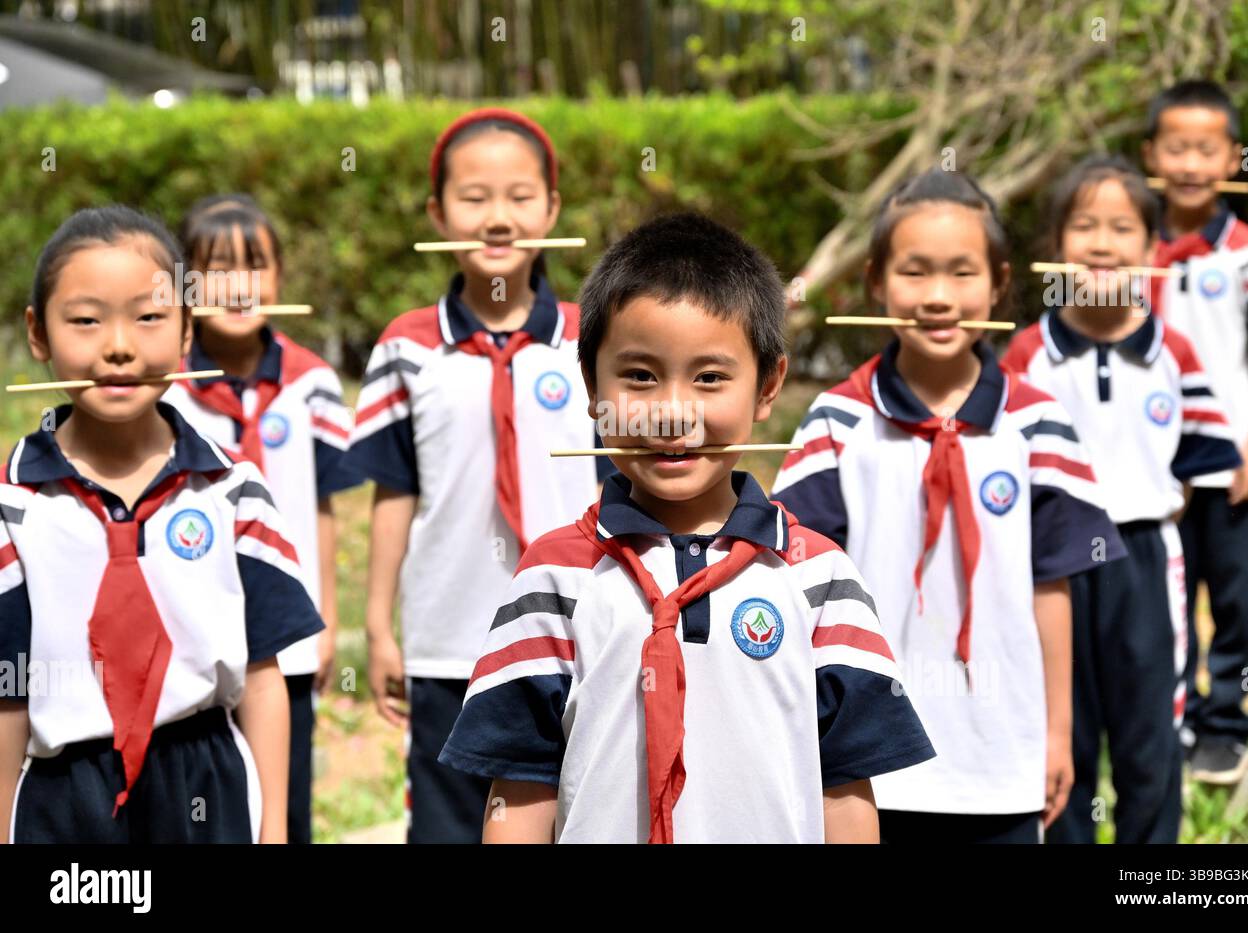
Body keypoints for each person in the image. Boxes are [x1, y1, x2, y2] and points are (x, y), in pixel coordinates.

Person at [439, 212, 935, 843]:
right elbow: (519, 790)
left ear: (768, 387)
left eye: (709, 378)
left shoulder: (820, 578)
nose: (674, 413)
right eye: (640, 376)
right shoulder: (553, 576)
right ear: (592, 385)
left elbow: (845, 789)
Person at [774, 170, 1122, 844]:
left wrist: (1057, 731)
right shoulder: (838, 421)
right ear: (875, 281)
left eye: (963, 274)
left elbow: (1052, 585)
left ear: (998, 284)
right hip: (869, 763)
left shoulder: (1038, 422)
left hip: (1001, 753)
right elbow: (799, 584)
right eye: (915, 272)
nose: (938, 297)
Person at [0, 205, 321, 843]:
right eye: (86, 320)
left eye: (148, 318)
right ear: (39, 332)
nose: (118, 346)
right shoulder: (14, 507)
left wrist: (276, 829)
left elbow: (263, 679)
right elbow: (7, 694)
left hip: (207, 785)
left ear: (184, 331)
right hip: (66, 799)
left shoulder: (234, 491)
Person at [345, 108, 611, 843]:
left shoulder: (593, 340)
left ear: (552, 211)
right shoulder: (406, 347)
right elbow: (394, 492)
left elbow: (615, 485)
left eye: (521, 197)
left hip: (574, 630)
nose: (498, 217)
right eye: (474, 197)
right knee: (447, 822)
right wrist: (378, 625)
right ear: (437, 213)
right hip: (447, 641)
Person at [1004, 155, 1241, 842]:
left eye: (1122, 228)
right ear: (1055, 248)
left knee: (1149, 735)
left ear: (1151, 249)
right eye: (1083, 226)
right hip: (1051, 564)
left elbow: (1202, 464)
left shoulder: (1177, 353)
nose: (1102, 243)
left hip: (1143, 557)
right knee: (1063, 726)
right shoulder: (1026, 355)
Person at [164, 193, 360, 843]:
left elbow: (324, 509)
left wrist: (327, 618)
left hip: (288, 639)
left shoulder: (313, 383)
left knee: (286, 806)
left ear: (278, 279)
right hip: (192, 642)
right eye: (216, 269)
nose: (238, 287)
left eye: (255, 266)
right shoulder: (163, 391)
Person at [1143, 79, 1248, 783]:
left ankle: (1225, 727)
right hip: (1157, 469)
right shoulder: (1131, 253)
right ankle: (1169, 721)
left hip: (1231, 464)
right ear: (1151, 153)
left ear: (1234, 158)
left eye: (1206, 148)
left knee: (1234, 599)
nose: (1189, 162)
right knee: (1166, 597)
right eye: (1175, 146)